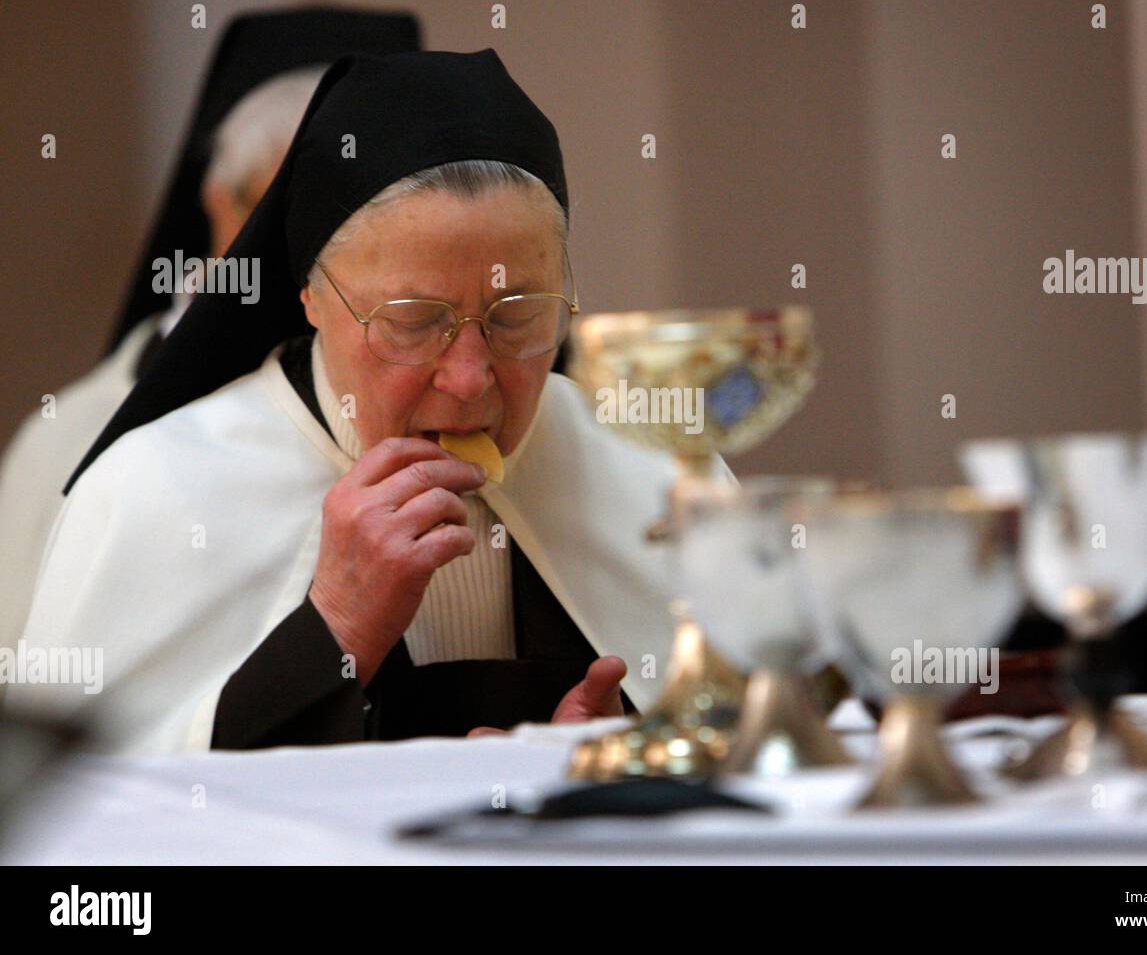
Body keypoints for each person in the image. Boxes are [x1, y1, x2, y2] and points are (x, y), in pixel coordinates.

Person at [12, 50, 727, 754]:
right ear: (312, 298)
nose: (470, 377)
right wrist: (335, 628)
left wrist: (623, 761)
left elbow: (778, 742)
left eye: (516, 317)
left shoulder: (651, 461)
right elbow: (85, 817)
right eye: (415, 323)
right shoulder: (157, 488)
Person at [0, 9, 420, 653]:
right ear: (219, 201)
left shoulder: (487, 401)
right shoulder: (80, 437)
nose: (319, 253)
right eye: (285, 208)